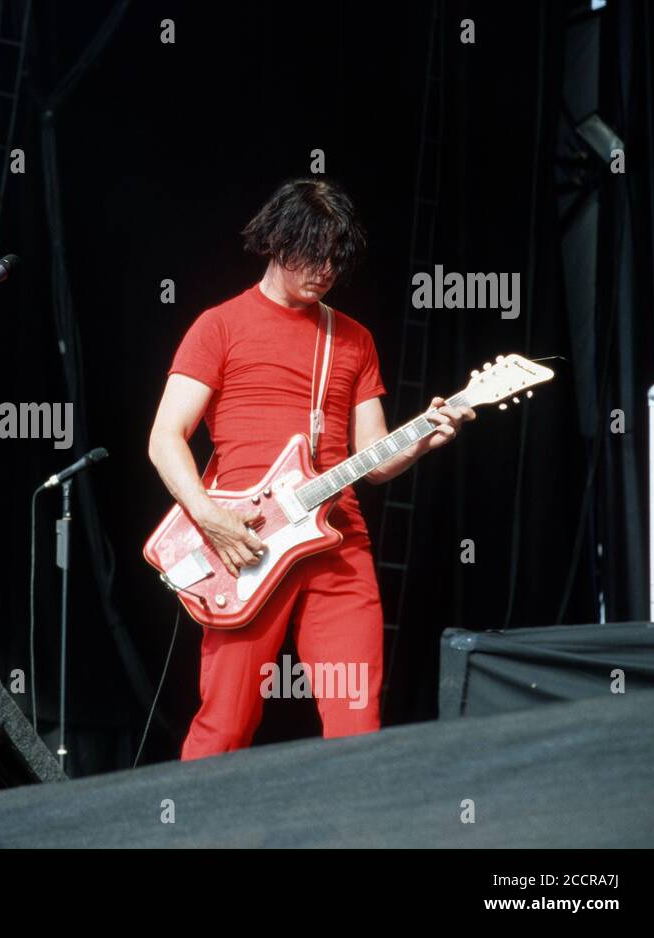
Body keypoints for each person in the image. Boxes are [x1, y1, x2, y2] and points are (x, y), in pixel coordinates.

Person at [147, 178, 475, 758]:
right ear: (276, 241)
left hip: (337, 541)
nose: (324, 269)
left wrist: (423, 438)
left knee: (357, 719)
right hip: (245, 540)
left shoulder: (353, 339)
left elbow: (373, 460)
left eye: (336, 260)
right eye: (311, 253)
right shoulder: (219, 325)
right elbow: (165, 438)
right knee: (226, 720)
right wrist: (210, 518)